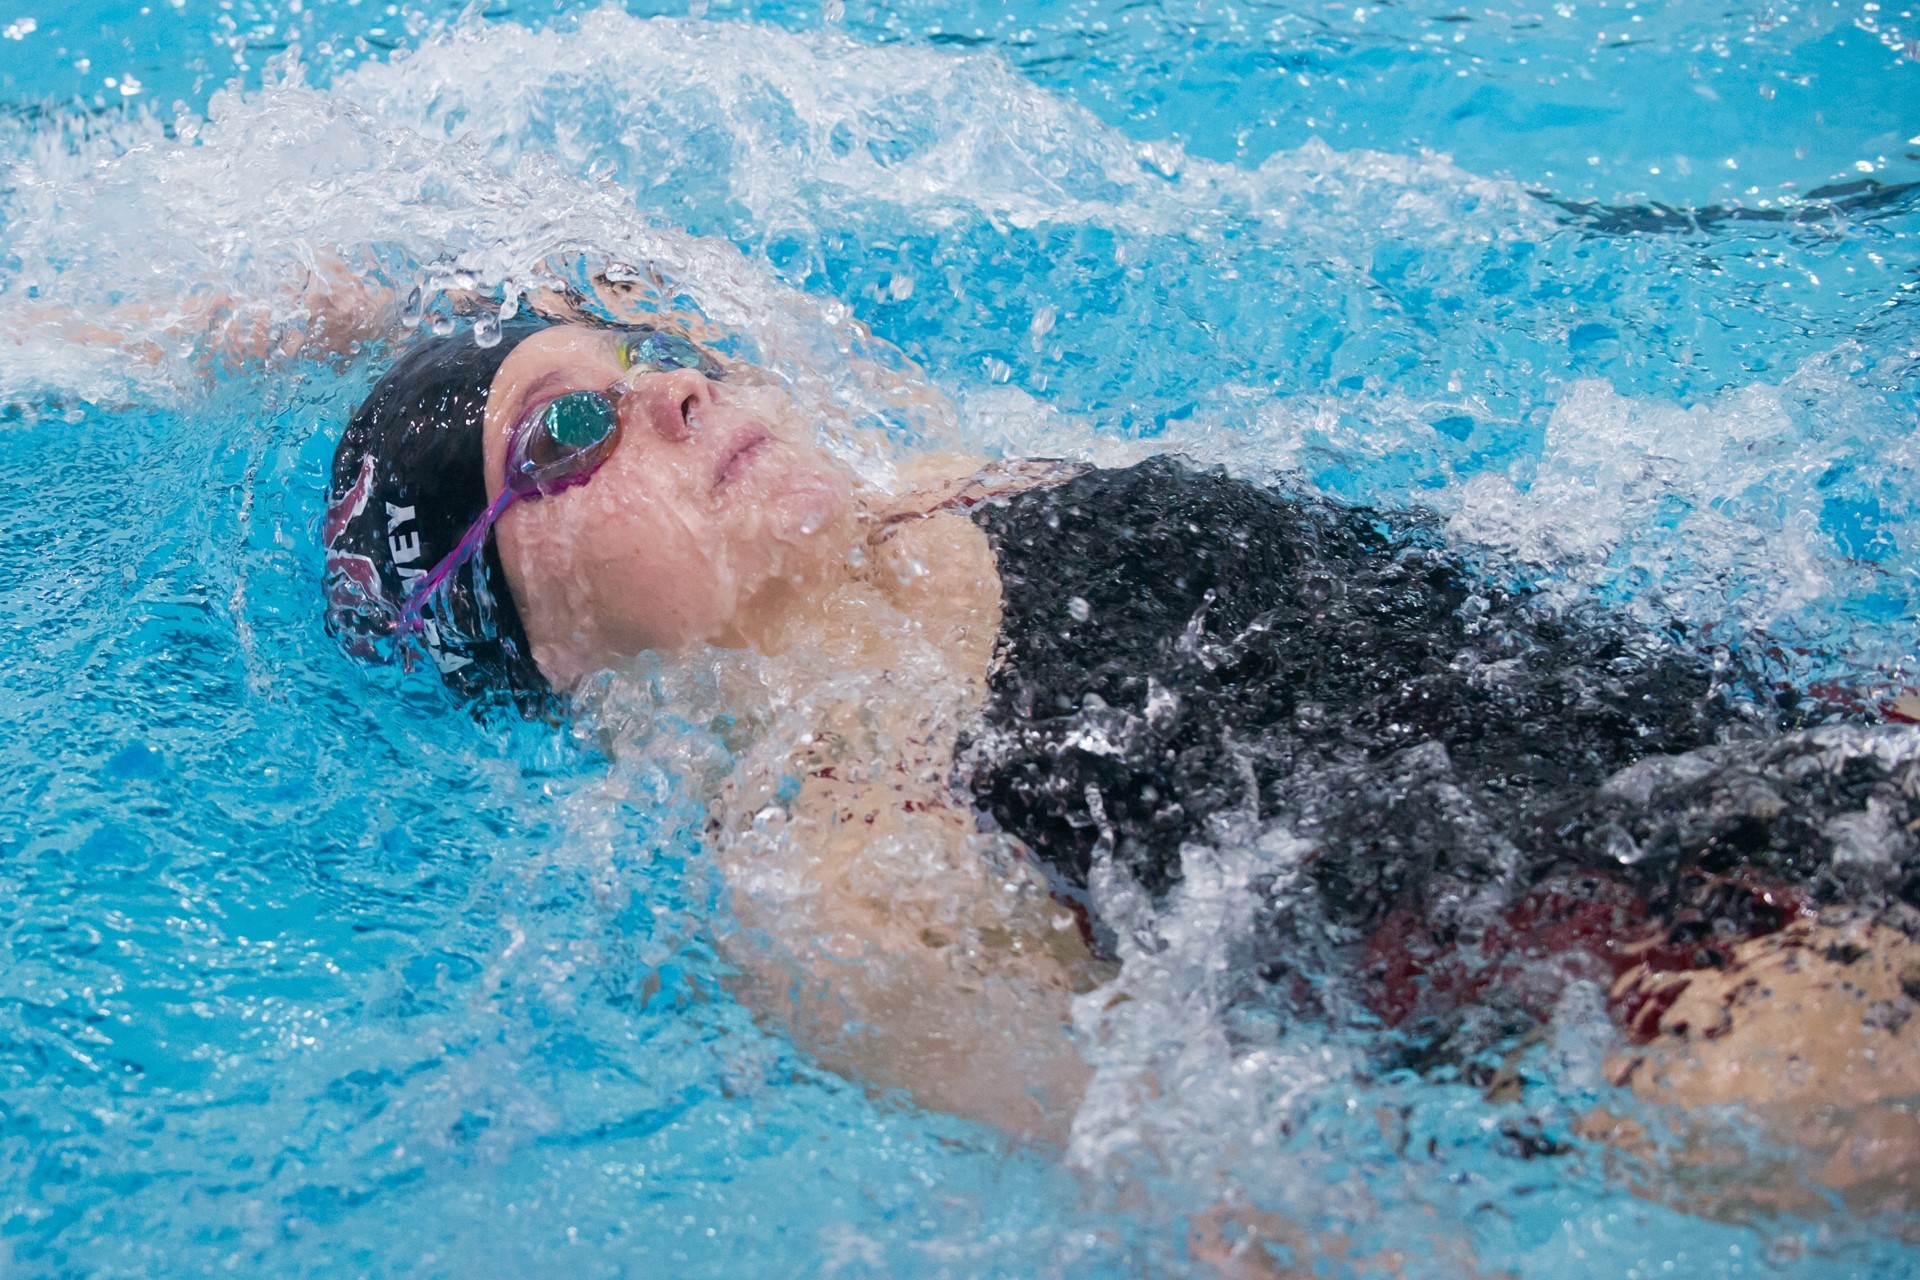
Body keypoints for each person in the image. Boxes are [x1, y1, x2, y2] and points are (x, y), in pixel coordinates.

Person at [323, 305, 1920, 1238]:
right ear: (551, 651)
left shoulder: (939, 479)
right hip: (1704, 983)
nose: (677, 390)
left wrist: (313, 311)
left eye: (653, 355)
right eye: (571, 431)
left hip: (1809, 726)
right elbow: (1218, 1189)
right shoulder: (843, 870)